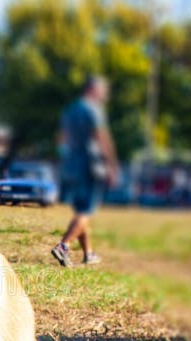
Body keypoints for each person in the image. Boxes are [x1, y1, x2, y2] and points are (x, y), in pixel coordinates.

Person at [51, 76, 119, 267]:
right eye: (103, 90)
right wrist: (112, 165)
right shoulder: (93, 109)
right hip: (90, 165)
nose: (105, 95)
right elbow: (102, 138)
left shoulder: (70, 110)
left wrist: (65, 158)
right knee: (86, 212)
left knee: (81, 211)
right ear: (93, 89)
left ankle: (88, 254)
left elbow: (60, 138)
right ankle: (63, 246)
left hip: (71, 165)